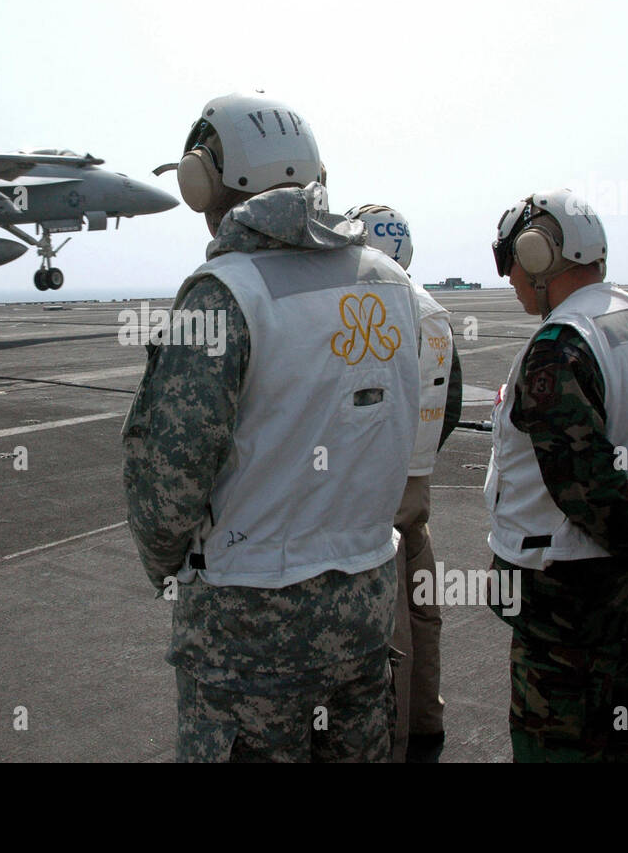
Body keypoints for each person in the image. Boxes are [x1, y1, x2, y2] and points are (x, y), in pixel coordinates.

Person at [123, 93, 421, 762]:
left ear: (202, 175)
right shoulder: (393, 284)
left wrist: (168, 565)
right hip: (367, 604)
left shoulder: (225, 293)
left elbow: (167, 481)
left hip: (248, 629)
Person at [486, 190, 628, 762]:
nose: (508, 278)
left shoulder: (561, 346)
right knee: (624, 736)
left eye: (509, 261)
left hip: (567, 591)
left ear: (536, 257)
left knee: (553, 743)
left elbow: (585, 484)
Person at [351, 204, 460, 762]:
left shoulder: (370, 309)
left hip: (376, 491)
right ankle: (425, 721)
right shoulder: (433, 311)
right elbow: (452, 405)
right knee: (424, 610)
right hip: (417, 486)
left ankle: (392, 745)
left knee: (387, 630)